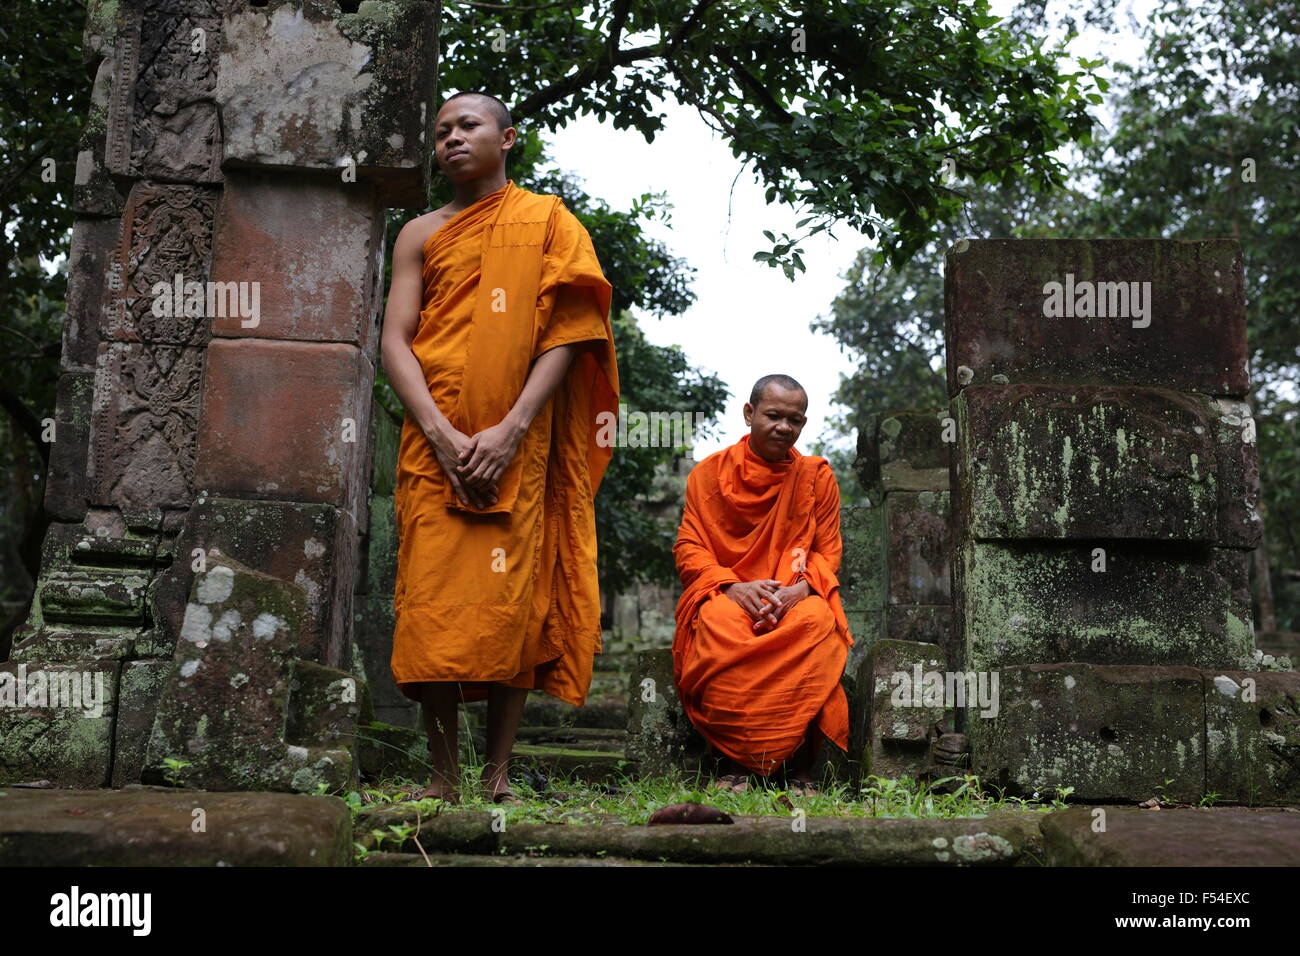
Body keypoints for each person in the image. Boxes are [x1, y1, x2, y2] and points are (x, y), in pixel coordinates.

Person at [380, 91, 619, 803]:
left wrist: (512, 428)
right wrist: (442, 433)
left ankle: (498, 774)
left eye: (468, 126)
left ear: (507, 137)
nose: (451, 137)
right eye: (441, 129)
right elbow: (396, 339)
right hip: (435, 448)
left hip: (520, 447)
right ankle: (442, 775)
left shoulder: (547, 222)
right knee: (432, 604)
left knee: (513, 604)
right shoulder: (419, 232)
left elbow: (573, 332)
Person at [671, 374, 852, 795]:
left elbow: (828, 552)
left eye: (795, 419)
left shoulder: (815, 477)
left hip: (792, 593)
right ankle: (737, 759)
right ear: (750, 414)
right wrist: (734, 588)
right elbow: (689, 546)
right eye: (773, 415)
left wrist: (799, 590)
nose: (784, 427)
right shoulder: (709, 474)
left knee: (815, 623)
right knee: (719, 623)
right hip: (729, 592)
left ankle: (799, 766)